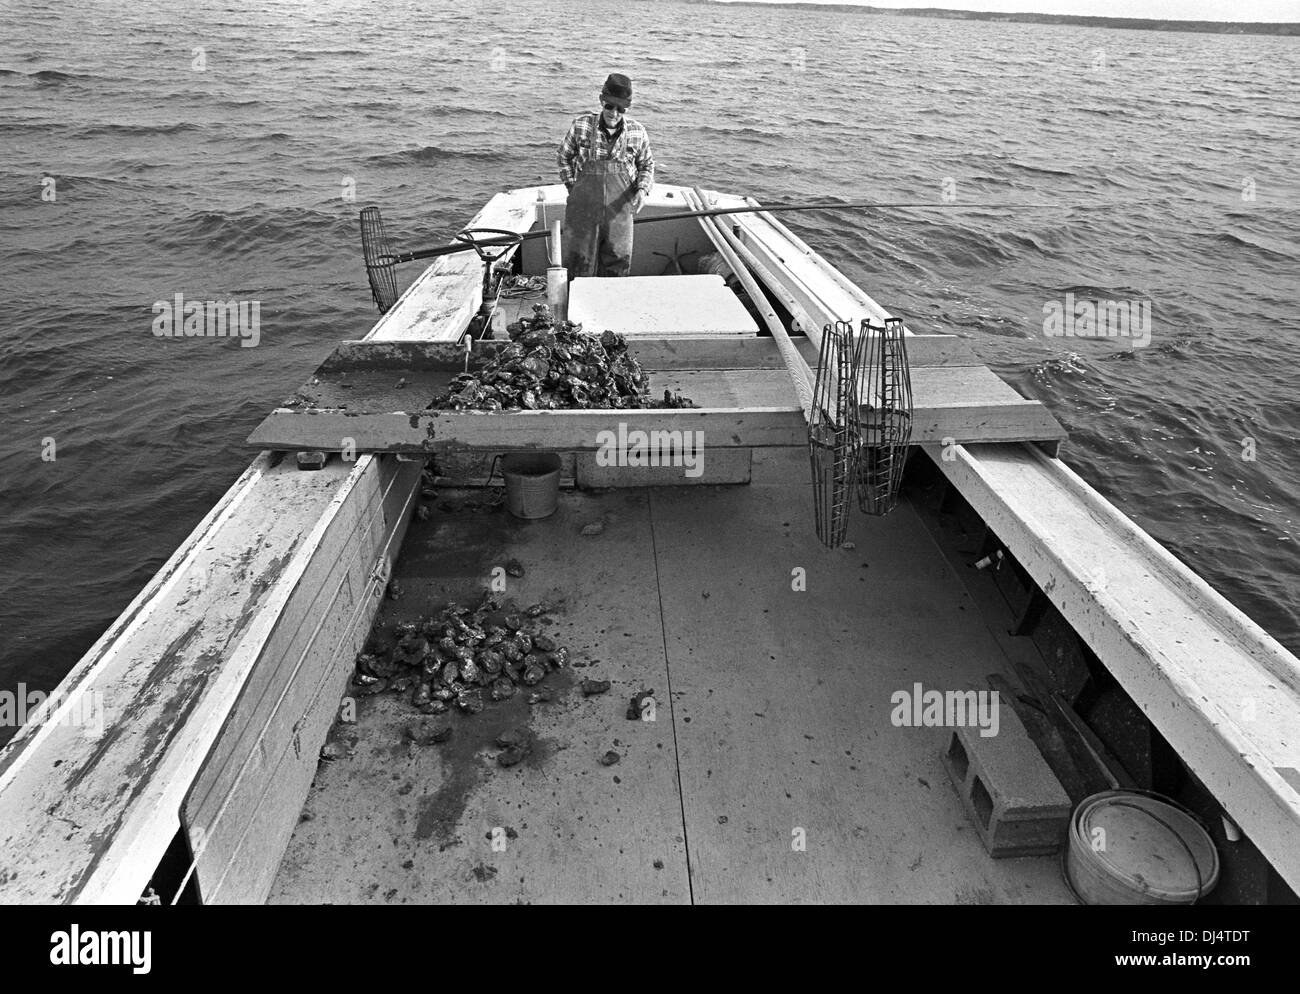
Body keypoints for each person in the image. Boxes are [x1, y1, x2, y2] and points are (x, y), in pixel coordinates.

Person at [556, 73, 654, 279]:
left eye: (620, 109)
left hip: (619, 211)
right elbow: (563, 157)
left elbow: (646, 165)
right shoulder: (581, 126)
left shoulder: (638, 132)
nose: (614, 113)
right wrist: (573, 188)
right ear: (601, 101)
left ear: (627, 109)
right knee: (578, 262)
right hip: (582, 210)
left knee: (617, 263)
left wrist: (642, 190)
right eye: (609, 106)